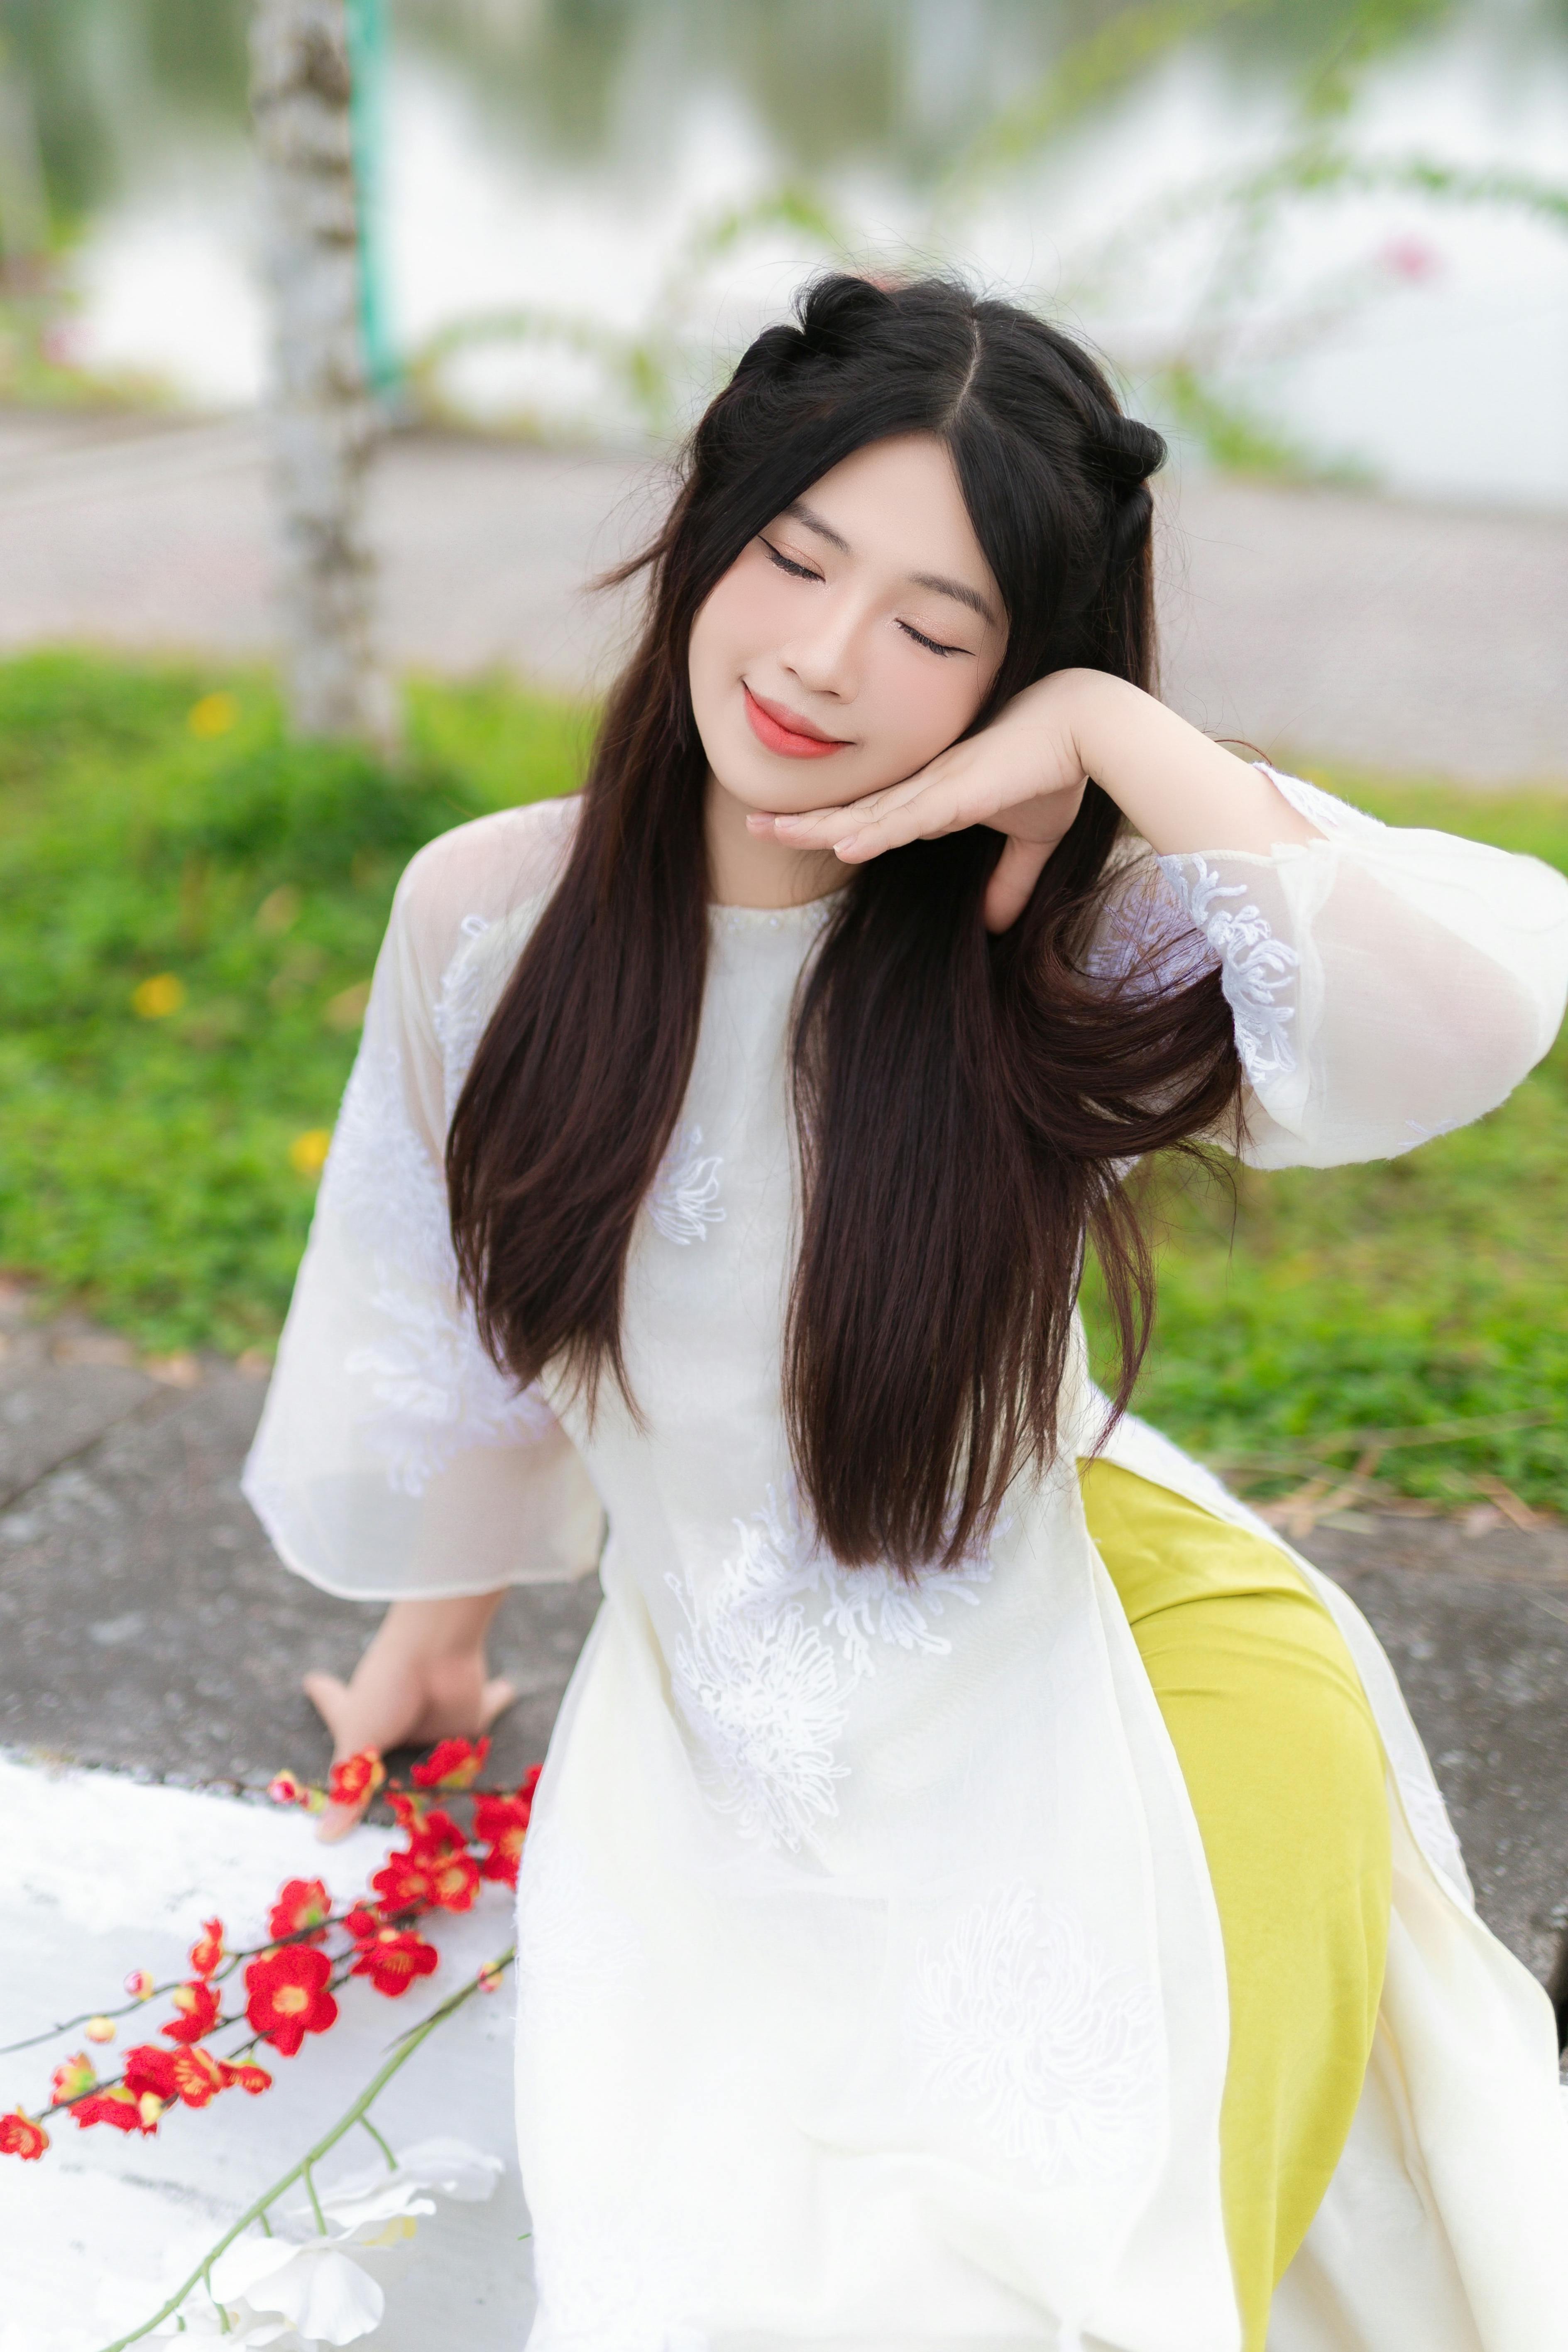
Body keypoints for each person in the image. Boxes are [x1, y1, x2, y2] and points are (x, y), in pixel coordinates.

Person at [244, 274, 1568, 2351]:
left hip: (1119, 1679)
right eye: (794, 558)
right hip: (719, 1757)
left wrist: (1123, 740)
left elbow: (1469, 1013)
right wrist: (435, 1640)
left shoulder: (1054, 942)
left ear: (1012, 679)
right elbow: (470, 1322)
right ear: (707, 525)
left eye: (938, 631)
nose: (823, 660)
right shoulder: (488, 913)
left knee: (1087, 2267)